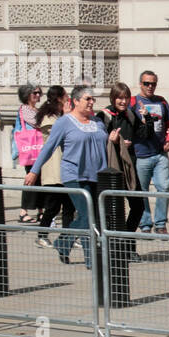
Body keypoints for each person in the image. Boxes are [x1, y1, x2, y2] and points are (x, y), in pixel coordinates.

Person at [25, 84, 108, 269]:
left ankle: (62, 242)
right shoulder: (64, 122)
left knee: (91, 216)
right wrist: (34, 170)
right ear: (75, 101)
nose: (91, 102)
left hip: (96, 175)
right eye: (87, 99)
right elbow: (48, 147)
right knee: (87, 216)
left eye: (93, 99)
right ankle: (91, 260)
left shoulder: (98, 122)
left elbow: (104, 143)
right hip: (74, 174)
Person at [97, 82, 150, 235]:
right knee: (115, 210)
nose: (123, 101)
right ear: (113, 98)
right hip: (111, 170)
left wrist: (147, 117)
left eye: (126, 98)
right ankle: (117, 246)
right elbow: (98, 141)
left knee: (138, 206)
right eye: (119, 98)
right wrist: (114, 142)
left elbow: (144, 134)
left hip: (128, 168)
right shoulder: (103, 116)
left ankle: (126, 243)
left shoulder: (130, 114)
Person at [129, 69, 169, 235]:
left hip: (160, 153)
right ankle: (145, 224)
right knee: (142, 192)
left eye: (153, 84)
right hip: (141, 154)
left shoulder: (161, 101)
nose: (150, 86)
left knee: (164, 187)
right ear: (140, 84)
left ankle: (161, 224)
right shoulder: (132, 101)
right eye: (147, 83)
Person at [34, 86, 75, 247]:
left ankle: (67, 237)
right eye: (65, 95)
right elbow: (61, 131)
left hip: (65, 168)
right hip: (53, 168)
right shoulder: (49, 118)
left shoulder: (60, 115)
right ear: (59, 98)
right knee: (52, 207)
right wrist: (67, 115)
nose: (68, 98)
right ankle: (42, 234)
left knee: (69, 207)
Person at [12, 84, 44, 223]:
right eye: (34, 93)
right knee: (30, 179)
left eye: (39, 93)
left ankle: (41, 210)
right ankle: (23, 211)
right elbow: (39, 123)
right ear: (26, 95)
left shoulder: (36, 109)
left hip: (38, 148)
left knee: (40, 180)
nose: (37, 95)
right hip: (30, 150)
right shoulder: (24, 109)